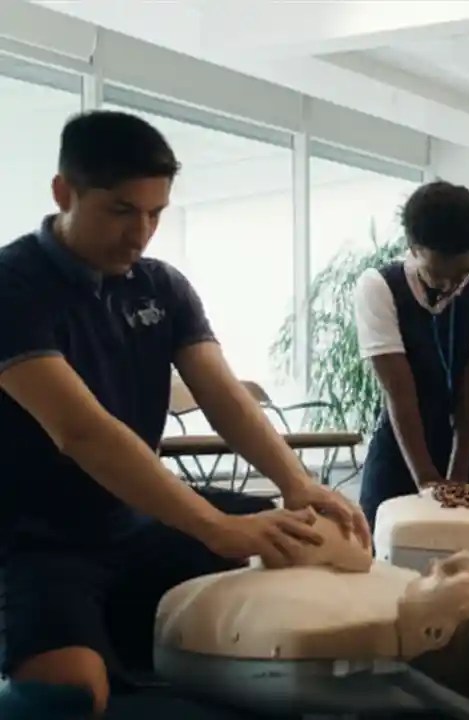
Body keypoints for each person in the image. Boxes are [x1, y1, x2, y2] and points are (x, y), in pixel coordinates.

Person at [0, 110, 369, 716]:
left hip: (141, 518)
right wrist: (215, 527)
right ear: (64, 193)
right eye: (121, 211)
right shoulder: (13, 285)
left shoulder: (161, 287)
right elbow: (82, 432)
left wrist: (297, 482)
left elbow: (224, 397)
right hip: (40, 542)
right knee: (68, 698)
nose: (140, 234)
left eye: (156, 214)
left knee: (311, 539)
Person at [354, 179, 469, 532]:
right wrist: (428, 483)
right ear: (413, 248)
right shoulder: (378, 287)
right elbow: (399, 392)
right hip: (404, 436)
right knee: (379, 542)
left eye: (461, 273)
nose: (450, 285)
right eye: (438, 274)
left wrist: (457, 482)